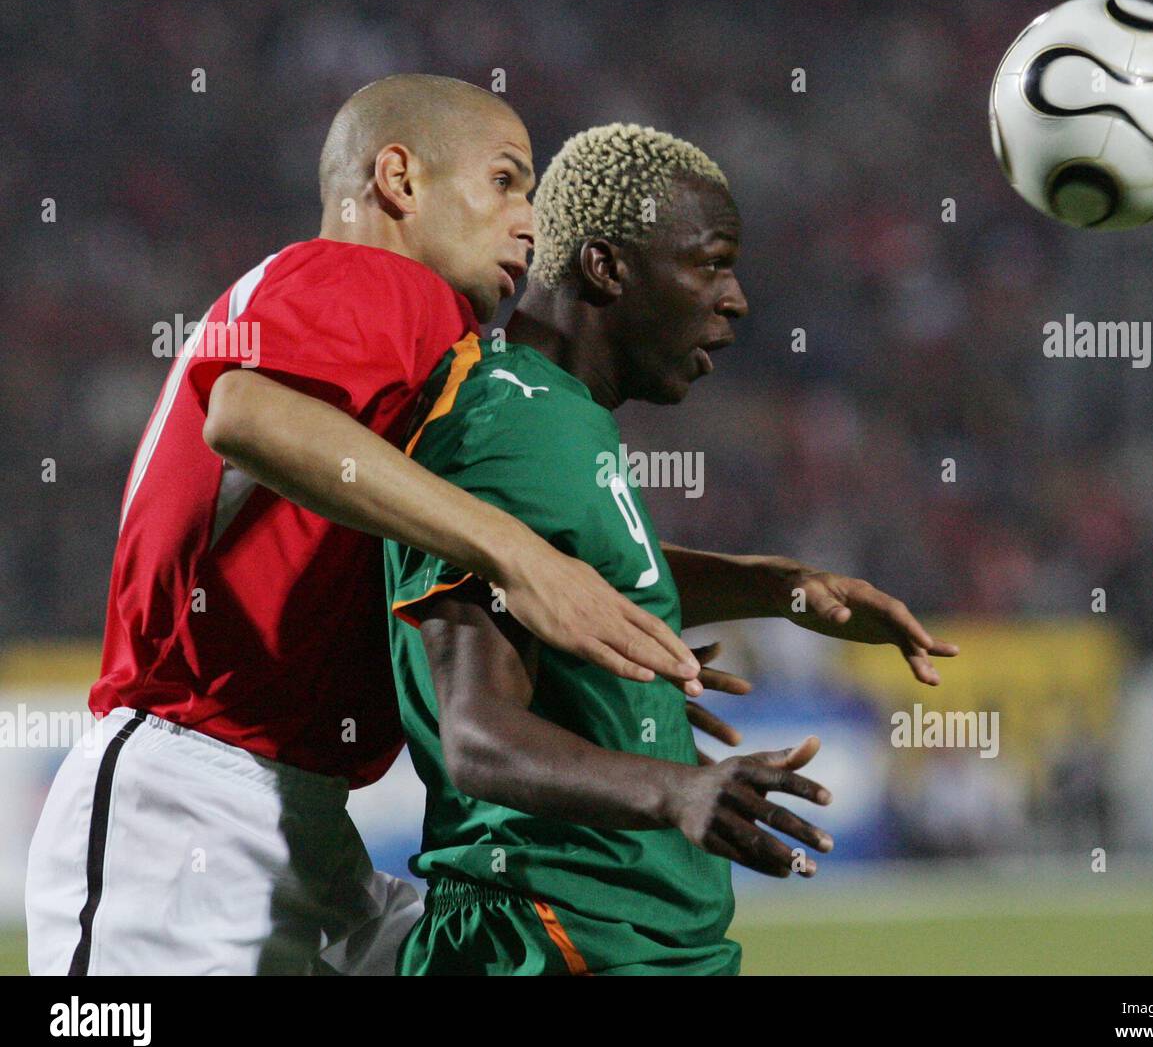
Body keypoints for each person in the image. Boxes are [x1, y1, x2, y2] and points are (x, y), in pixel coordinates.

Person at [25, 76, 705, 977]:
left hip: (288, 822)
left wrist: (748, 591)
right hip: (185, 815)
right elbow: (247, 417)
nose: (531, 222)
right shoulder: (378, 280)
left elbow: (532, 549)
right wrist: (515, 553)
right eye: (506, 181)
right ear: (398, 179)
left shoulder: (403, 332)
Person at [385, 124, 957, 975]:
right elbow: (479, 736)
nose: (736, 298)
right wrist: (679, 788)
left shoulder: (558, 415)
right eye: (711, 263)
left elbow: (587, 571)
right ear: (608, 269)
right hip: (556, 938)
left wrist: (785, 587)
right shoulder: (511, 425)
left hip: (625, 936)